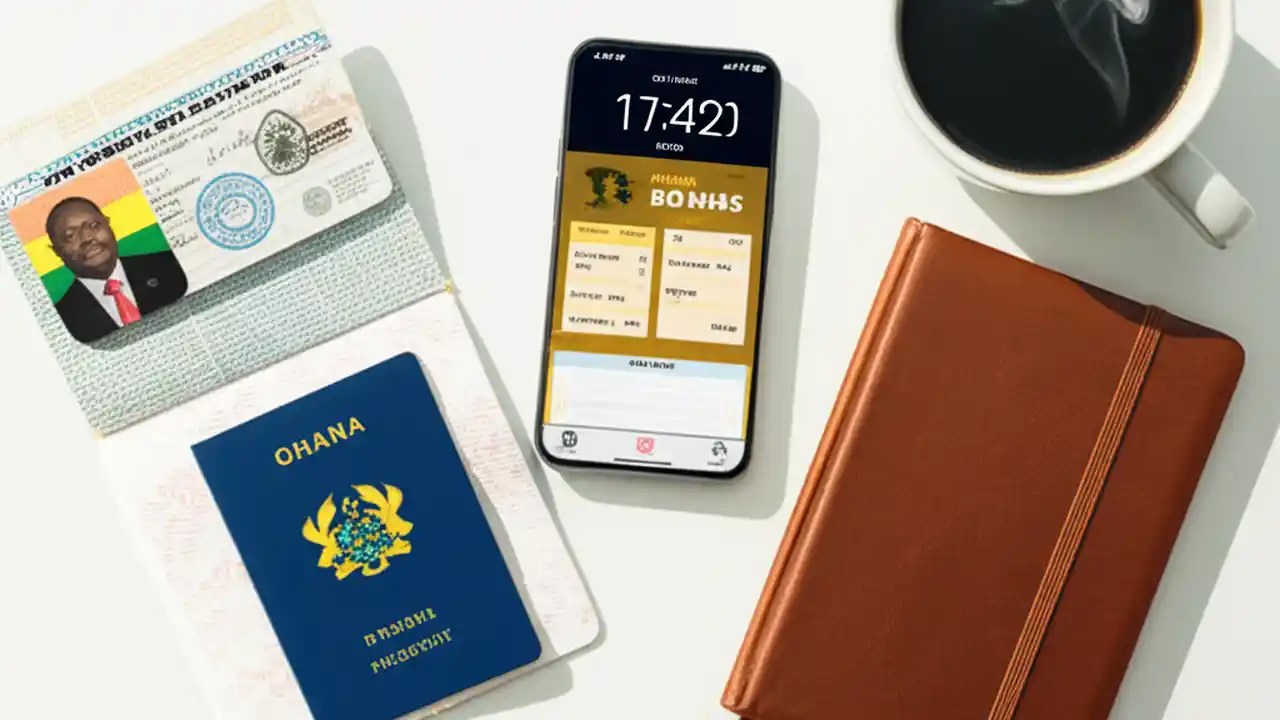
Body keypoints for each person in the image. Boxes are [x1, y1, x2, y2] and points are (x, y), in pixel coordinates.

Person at [45, 196, 186, 343]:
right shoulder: (63, 316)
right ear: (57, 252)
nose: (87, 238)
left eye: (94, 225)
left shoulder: (168, 265)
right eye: (70, 236)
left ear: (108, 225)